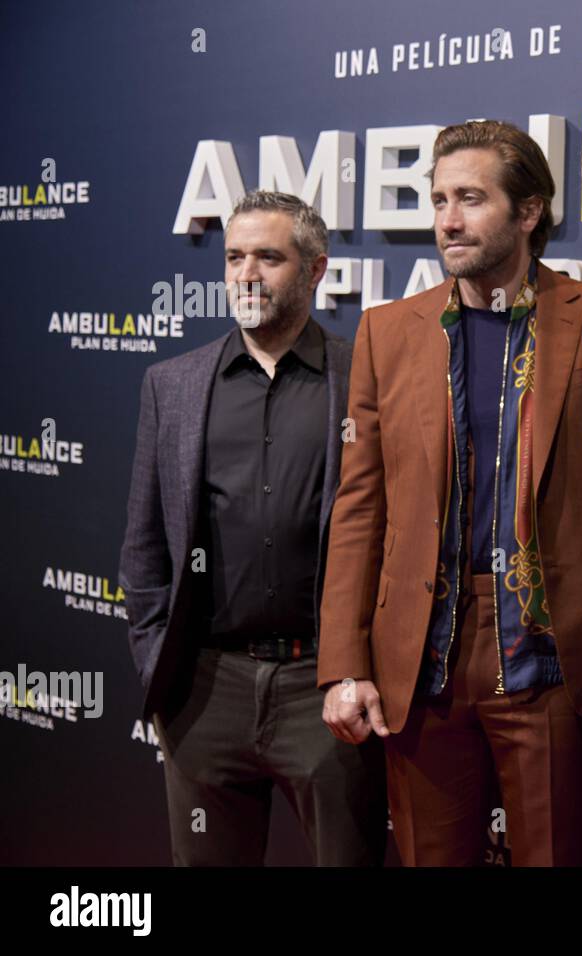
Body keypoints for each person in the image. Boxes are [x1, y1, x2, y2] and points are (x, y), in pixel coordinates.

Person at [318, 120, 582, 866]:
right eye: (439, 198)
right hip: (422, 655)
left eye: (472, 199)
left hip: (548, 654)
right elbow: (360, 509)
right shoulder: (388, 332)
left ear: (528, 212)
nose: (448, 219)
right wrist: (345, 664)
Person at [120, 190, 387, 865]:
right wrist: (158, 664)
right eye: (235, 256)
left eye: (269, 257)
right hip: (207, 692)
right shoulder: (173, 385)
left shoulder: (364, 379)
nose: (246, 273)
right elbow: (145, 544)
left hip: (326, 690)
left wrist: (356, 669)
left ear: (316, 269)